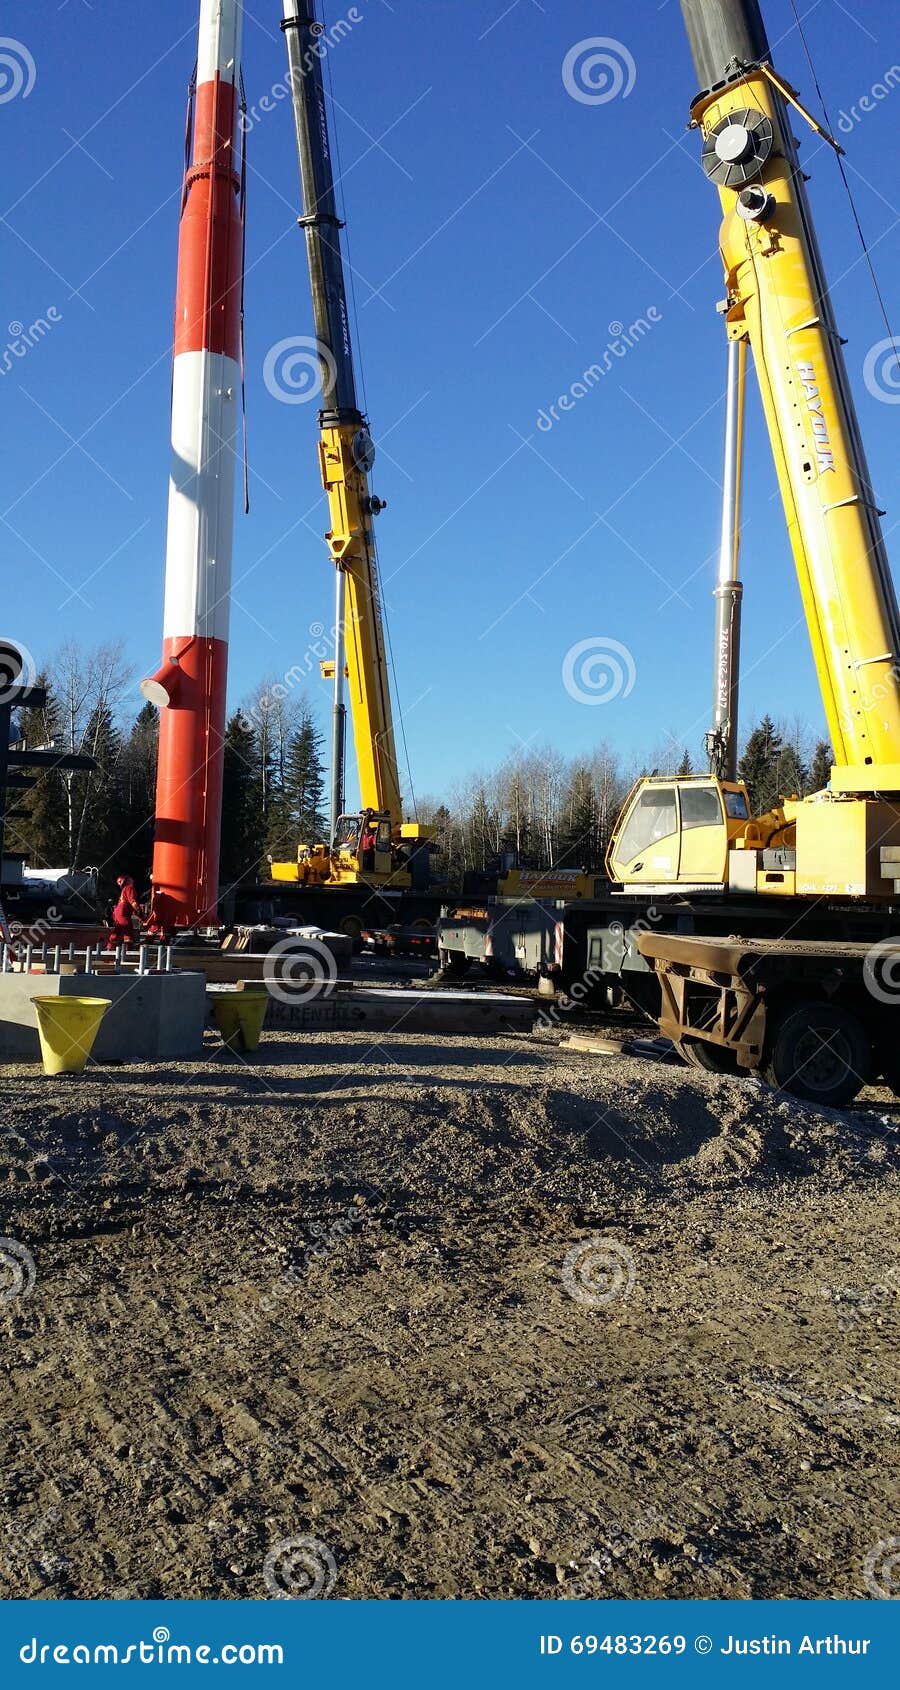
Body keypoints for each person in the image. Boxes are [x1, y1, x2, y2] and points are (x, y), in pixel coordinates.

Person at [105, 874, 143, 950]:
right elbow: (132, 901)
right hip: (123, 913)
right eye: (129, 878)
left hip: (119, 913)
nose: (132, 879)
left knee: (118, 930)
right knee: (127, 927)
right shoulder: (129, 888)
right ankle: (128, 948)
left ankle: (110, 946)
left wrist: (138, 913)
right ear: (126, 881)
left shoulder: (125, 889)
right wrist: (139, 911)